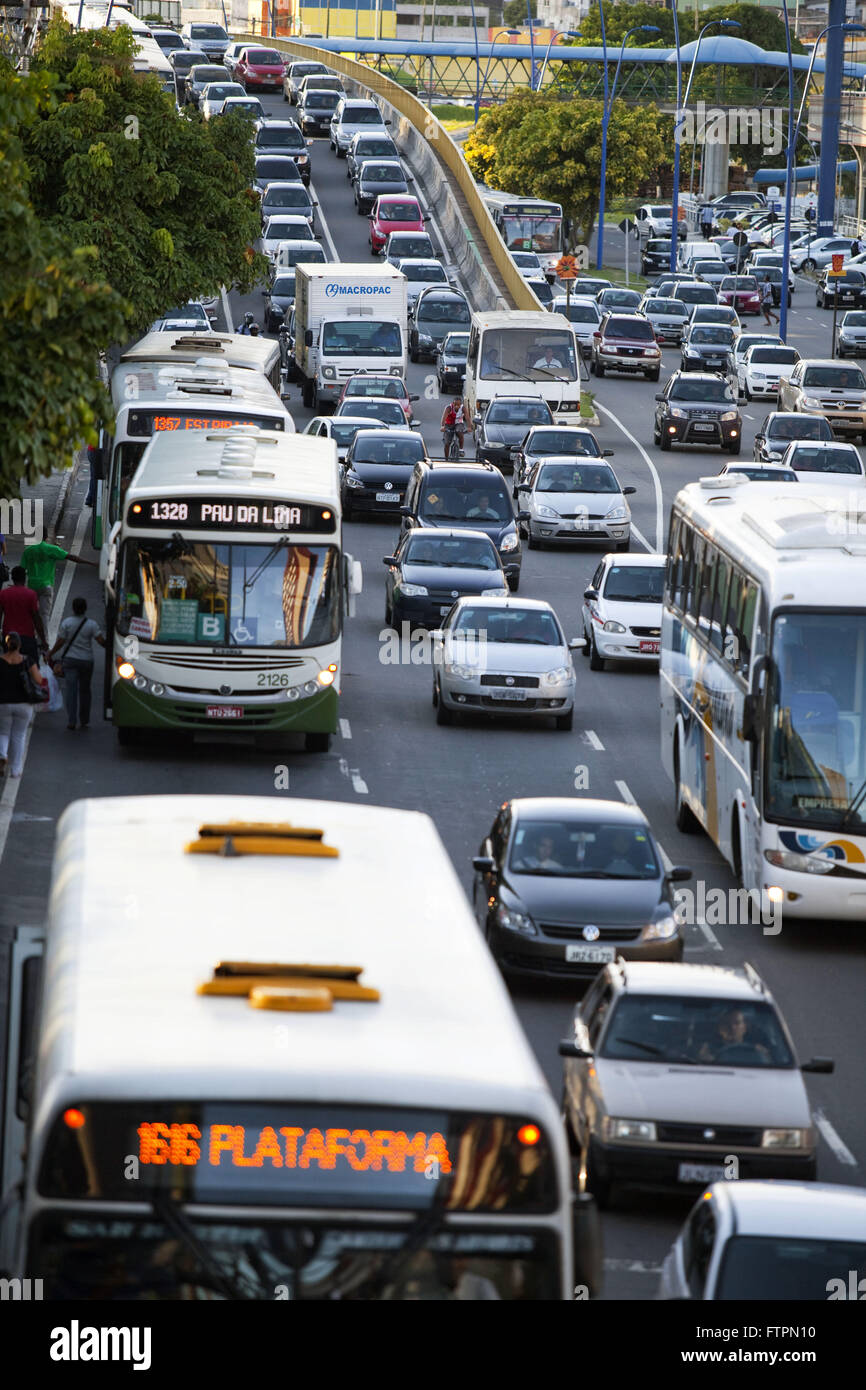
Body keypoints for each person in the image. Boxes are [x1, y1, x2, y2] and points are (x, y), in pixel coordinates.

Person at [48, 596, 106, 732]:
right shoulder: (91, 624)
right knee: (85, 691)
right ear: (85, 609)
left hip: (70, 661)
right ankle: (84, 719)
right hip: (87, 661)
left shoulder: (67, 623)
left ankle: (72, 720)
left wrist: (51, 653)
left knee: (71, 691)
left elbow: (61, 642)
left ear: (73, 608)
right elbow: (101, 641)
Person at [20, 538, 96, 627]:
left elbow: (21, 570)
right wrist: (91, 563)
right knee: (44, 615)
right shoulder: (52, 549)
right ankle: (44, 638)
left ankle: (32, 635)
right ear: (46, 537)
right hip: (46, 586)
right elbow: (71, 557)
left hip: (32, 586)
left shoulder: (28, 551)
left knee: (31, 613)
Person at [0, 633, 45, 777]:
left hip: (3, 703)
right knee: (19, 735)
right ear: (20, 645)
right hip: (24, 704)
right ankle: (15, 770)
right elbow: (39, 680)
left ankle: (2, 754)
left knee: (3, 732)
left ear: (6, 645)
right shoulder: (27, 661)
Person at [0, 566, 48, 665]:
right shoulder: (31, 594)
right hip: (27, 637)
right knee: (31, 666)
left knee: (10, 667)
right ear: (25, 578)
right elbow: (36, 619)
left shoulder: (3, 594)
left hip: (8, 636)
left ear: (12, 578)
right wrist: (43, 640)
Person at [698, 1008, 770, 1064]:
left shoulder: (755, 1050)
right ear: (720, 1028)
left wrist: (763, 1056)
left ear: (744, 1028)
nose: (732, 1027)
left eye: (737, 1023)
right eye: (727, 1023)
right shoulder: (709, 1049)